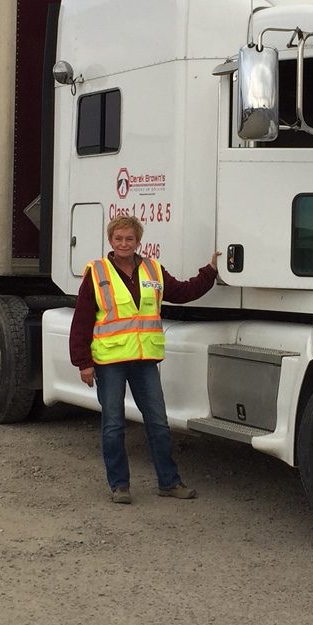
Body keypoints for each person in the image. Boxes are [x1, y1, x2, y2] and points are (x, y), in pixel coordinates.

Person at [69, 214, 219, 504]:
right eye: (118, 238)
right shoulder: (97, 273)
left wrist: (210, 271)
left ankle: (169, 482)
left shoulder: (153, 270)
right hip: (110, 363)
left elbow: (184, 292)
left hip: (144, 361)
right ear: (110, 240)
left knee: (158, 424)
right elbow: (82, 320)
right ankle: (120, 486)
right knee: (113, 425)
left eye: (130, 239)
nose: (124, 243)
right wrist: (83, 362)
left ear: (139, 242)